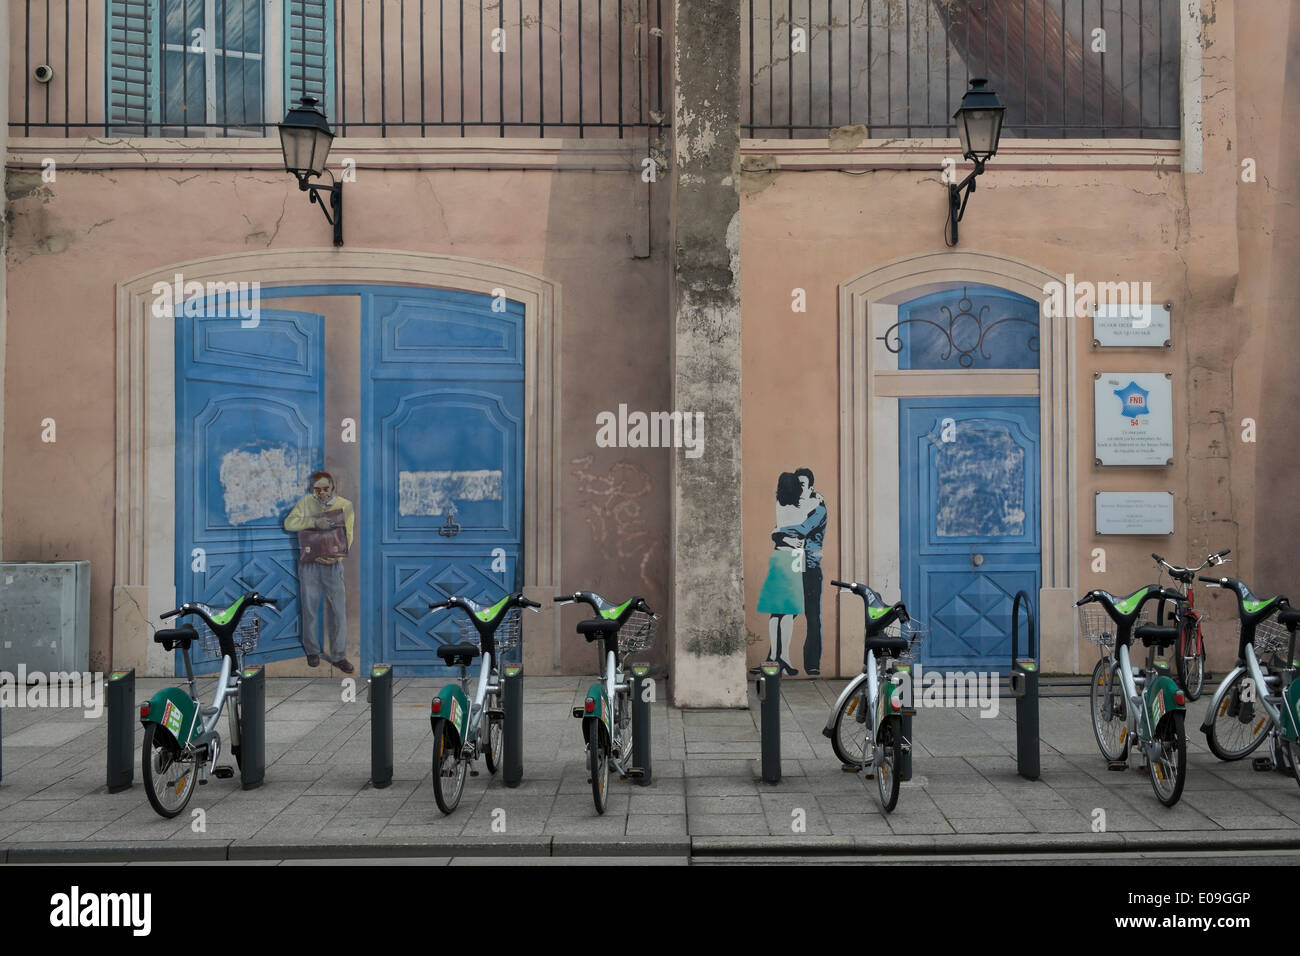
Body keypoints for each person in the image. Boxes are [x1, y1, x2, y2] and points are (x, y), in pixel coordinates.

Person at [284, 471, 355, 673]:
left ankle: (339, 655)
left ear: (333, 487)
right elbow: (289, 523)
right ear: (312, 489)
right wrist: (314, 522)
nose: (322, 492)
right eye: (317, 489)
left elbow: (348, 534)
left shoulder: (345, 505)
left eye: (326, 488)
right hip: (309, 564)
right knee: (309, 608)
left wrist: (337, 557)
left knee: (338, 611)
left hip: (332, 565)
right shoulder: (306, 502)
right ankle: (312, 651)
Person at [776, 468, 828, 675]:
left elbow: (802, 529)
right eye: (797, 486)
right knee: (785, 612)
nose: (799, 489)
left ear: (811, 487)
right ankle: (776, 658)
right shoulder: (800, 506)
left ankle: (812, 664)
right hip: (796, 562)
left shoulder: (818, 509)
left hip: (811, 567)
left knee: (812, 616)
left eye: (802, 486)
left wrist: (778, 531)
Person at [754, 472, 806, 676]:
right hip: (792, 559)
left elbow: (778, 532)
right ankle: (783, 656)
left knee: (777, 610)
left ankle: (775, 656)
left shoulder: (779, 504)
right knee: (790, 610)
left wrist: (777, 534)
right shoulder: (798, 509)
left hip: (778, 557)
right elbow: (797, 535)